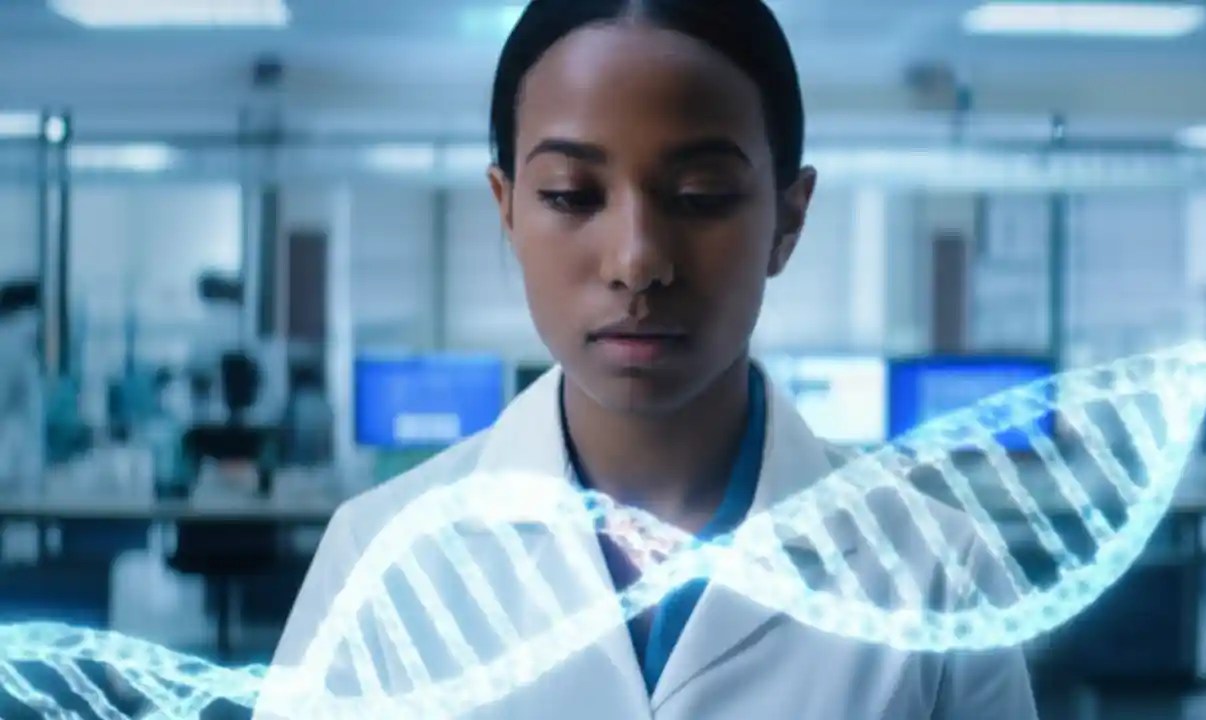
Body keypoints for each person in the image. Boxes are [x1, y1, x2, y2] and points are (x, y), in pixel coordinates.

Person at [261, 1, 1039, 718]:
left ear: (788, 219)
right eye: (571, 195)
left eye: (700, 196)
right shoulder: (379, 560)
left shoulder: (939, 576)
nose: (637, 261)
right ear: (506, 209)